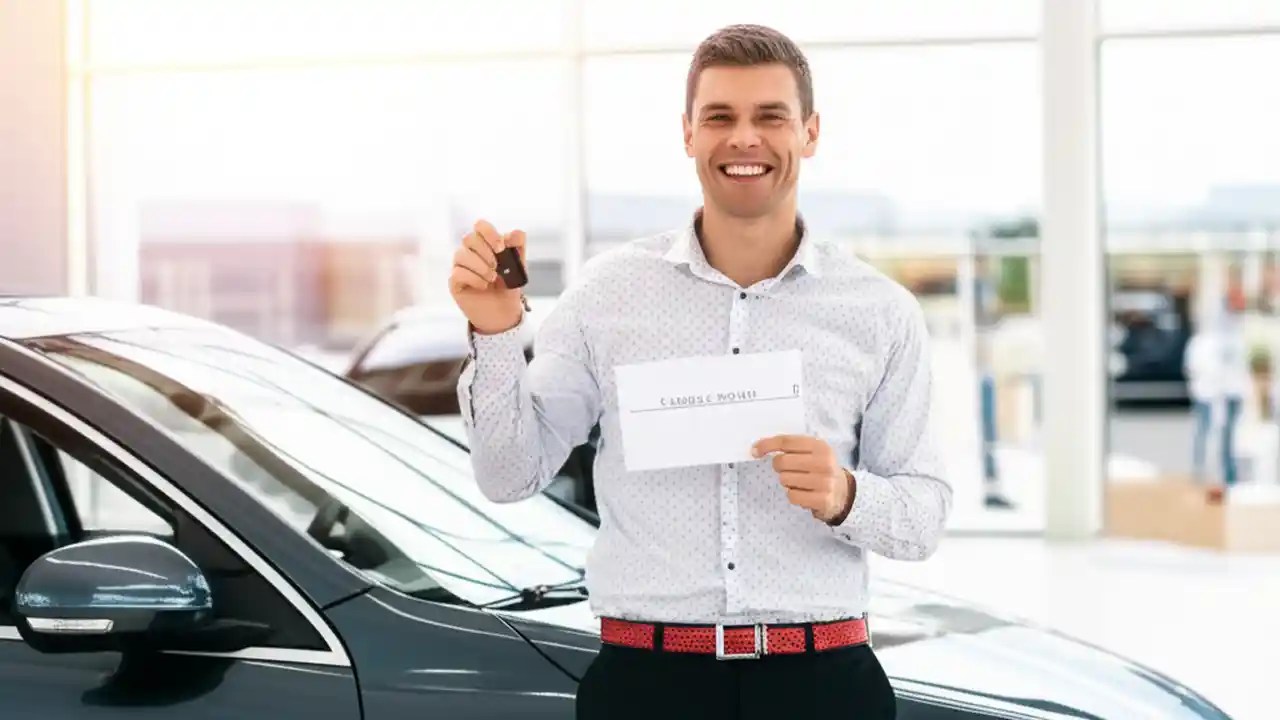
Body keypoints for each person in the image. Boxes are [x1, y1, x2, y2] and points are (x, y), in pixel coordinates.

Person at [449, 24, 950, 720]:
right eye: (720, 117)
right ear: (688, 134)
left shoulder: (879, 312)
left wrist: (844, 495)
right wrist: (496, 331)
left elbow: (923, 516)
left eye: (770, 116)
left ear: (809, 132)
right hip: (647, 688)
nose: (744, 138)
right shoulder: (606, 295)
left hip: (823, 688)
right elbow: (509, 475)